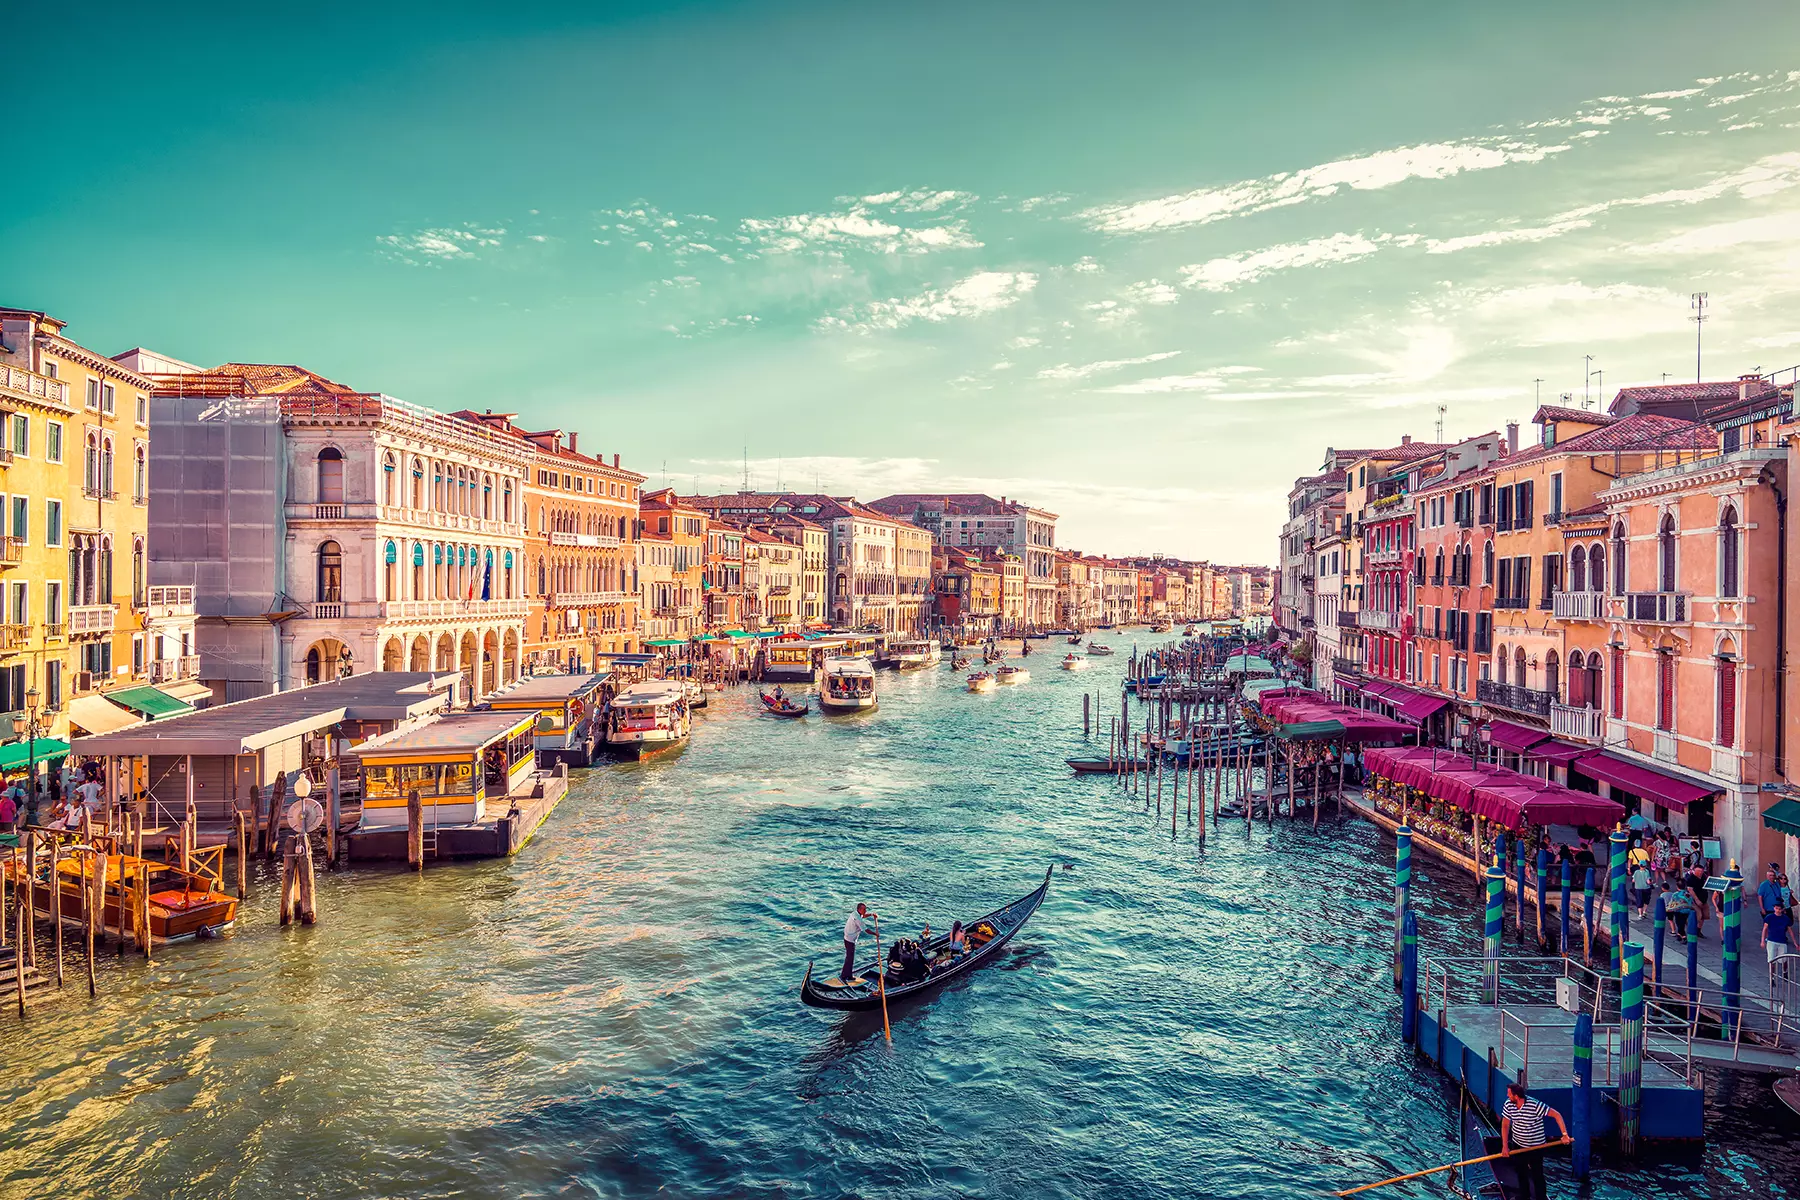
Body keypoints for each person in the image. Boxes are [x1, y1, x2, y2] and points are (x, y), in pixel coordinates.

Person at [1500, 1080, 1569, 1200]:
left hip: (1536, 1146)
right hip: (1519, 1145)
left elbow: (1557, 1115)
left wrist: (1564, 1135)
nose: (1507, 1096)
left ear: (1516, 1096)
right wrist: (1505, 1146)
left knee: (1537, 1174)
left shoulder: (1535, 1105)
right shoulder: (1508, 1104)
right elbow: (1505, 1125)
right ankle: (1524, 1197)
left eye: (1509, 1094)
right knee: (1521, 1173)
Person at [841, 902, 876, 984]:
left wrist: (871, 914)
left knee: (849, 958)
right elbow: (866, 930)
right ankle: (846, 976)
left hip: (847, 938)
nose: (865, 910)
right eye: (864, 909)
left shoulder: (855, 913)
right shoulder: (858, 919)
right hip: (850, 940)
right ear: (859, 909)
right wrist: (876, 934)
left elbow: (863, 915)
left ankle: (846, 975)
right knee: (850, 959)